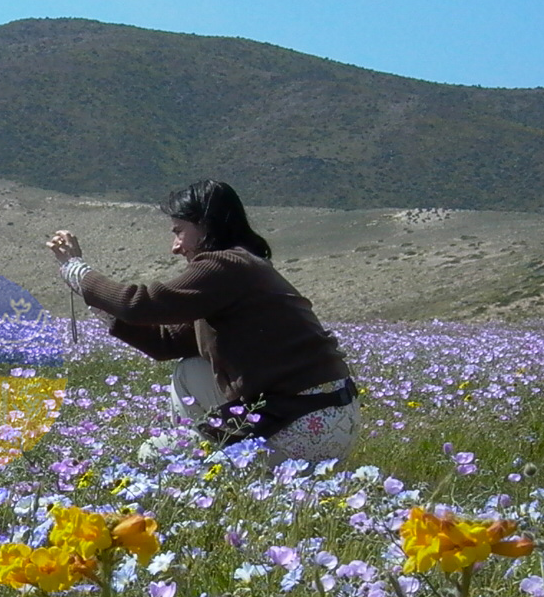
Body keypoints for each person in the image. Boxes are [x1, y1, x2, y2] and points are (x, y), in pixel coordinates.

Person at [45, 180, 359, 465]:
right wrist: (95, 301)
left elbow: (137, 304)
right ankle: (201, 451)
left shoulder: (225, 266)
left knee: (157, 456)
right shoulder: (242, 269)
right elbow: (165, 342)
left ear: (206, 226)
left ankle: (196, 459)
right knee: (190, 368)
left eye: (179, 231)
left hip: (305, 425)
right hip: (326, 417)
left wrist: (77, 271)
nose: (176, 246)